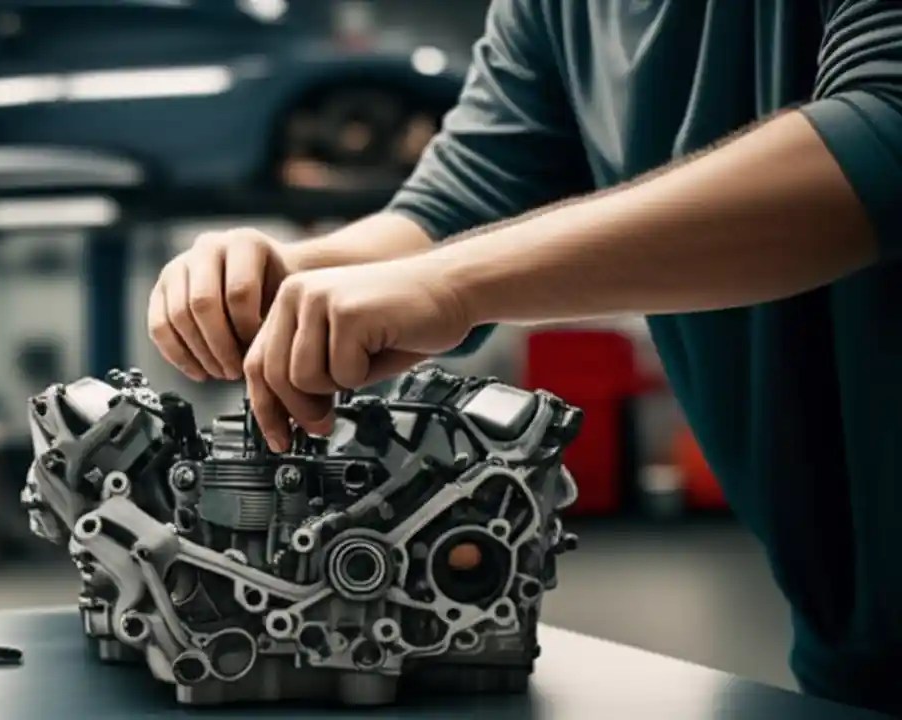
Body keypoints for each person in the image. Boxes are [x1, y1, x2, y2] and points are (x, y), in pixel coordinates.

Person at [147, 1, 902, 714]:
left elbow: (885, 130)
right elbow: (459, 210)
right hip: (851, 627)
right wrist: (292, 275)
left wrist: (448, 285)